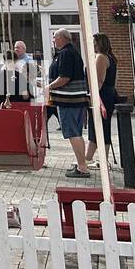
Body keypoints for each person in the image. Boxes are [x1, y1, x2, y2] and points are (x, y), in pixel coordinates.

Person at [47, 28, 90, 178]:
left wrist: (48, 87)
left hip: (69, 100)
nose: (53, 40)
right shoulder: (71, 52)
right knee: (76, 133)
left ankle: (83, 167)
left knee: (73, 133)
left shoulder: (66, 53)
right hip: (74, 99)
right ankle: (81, 163)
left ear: (62, 38)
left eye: (55, 38)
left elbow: (64, 78)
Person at [85, 33, 119, 166]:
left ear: (99, 44)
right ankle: (89, 158)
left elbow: (99, 81)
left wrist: (92, 96)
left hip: (101, 96)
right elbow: (115, 80)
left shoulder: (100, 57)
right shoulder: (111, 58)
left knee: (101, 126)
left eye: (94, 43)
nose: (92, 45)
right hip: (109, 94)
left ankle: (103, 161)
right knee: (96, 126)